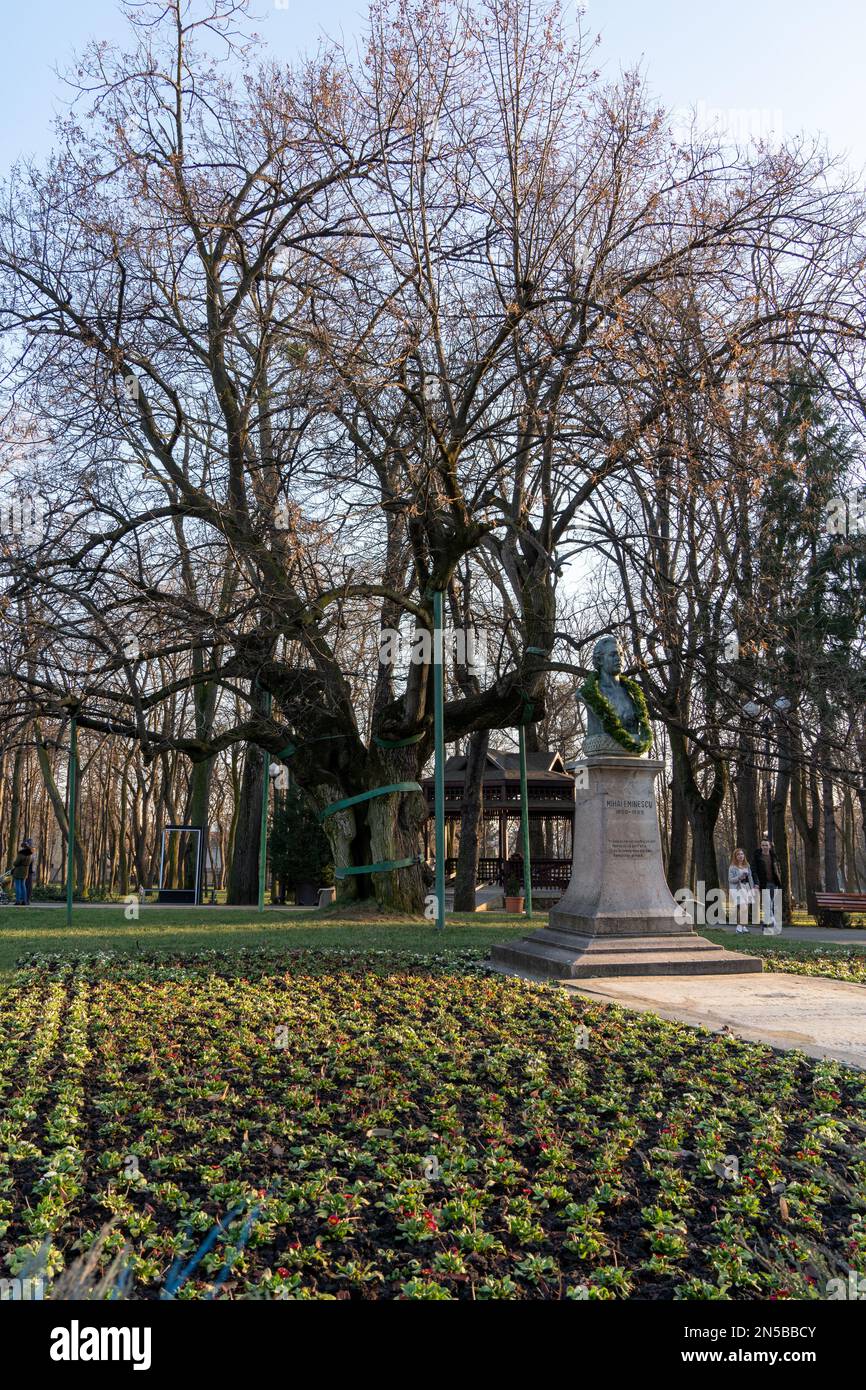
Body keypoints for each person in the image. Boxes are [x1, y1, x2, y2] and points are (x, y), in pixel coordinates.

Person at [751, 836, 783, 934]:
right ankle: (772, 920)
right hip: (763, 883)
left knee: (772, 903)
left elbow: (777, 869)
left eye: (766, 845)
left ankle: (766, 926)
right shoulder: (757, 857)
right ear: (761, 846)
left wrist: (779, 880)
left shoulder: (773, 856)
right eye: (763, 845)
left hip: (773, 882)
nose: (764, 847)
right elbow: (754, 871)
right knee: (767, 903)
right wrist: (756, 883)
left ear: (769, 846)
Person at [728, 848, 755, 933]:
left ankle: (743, 926)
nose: (740, 856)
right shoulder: (732, 867)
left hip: (747, 887)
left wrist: (752, 888)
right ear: (735, 856)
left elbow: (750, 878)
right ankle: (739, 927)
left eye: (742, 854)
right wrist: (739, 877)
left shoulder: (747, 866)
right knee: (742, 907)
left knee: (746, 908)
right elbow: (730, 879)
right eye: (738, 854)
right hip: (738, 888)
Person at [10, 841, 34, 906]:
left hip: (18, 870)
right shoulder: (30, 854)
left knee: (18, 886)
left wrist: (14, 863)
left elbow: (16, 863)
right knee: (23, 886)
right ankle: (24, 901)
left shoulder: (21, 854)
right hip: (26, 870)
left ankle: (18, 901)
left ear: (23, 846)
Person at [23, 838, 35, 903]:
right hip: (26, 870)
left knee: (28, 885)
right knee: (25, 885)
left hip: (29, 871)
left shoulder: (31, 851)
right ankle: (25, 899)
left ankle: (27, 899)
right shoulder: (27, 851)